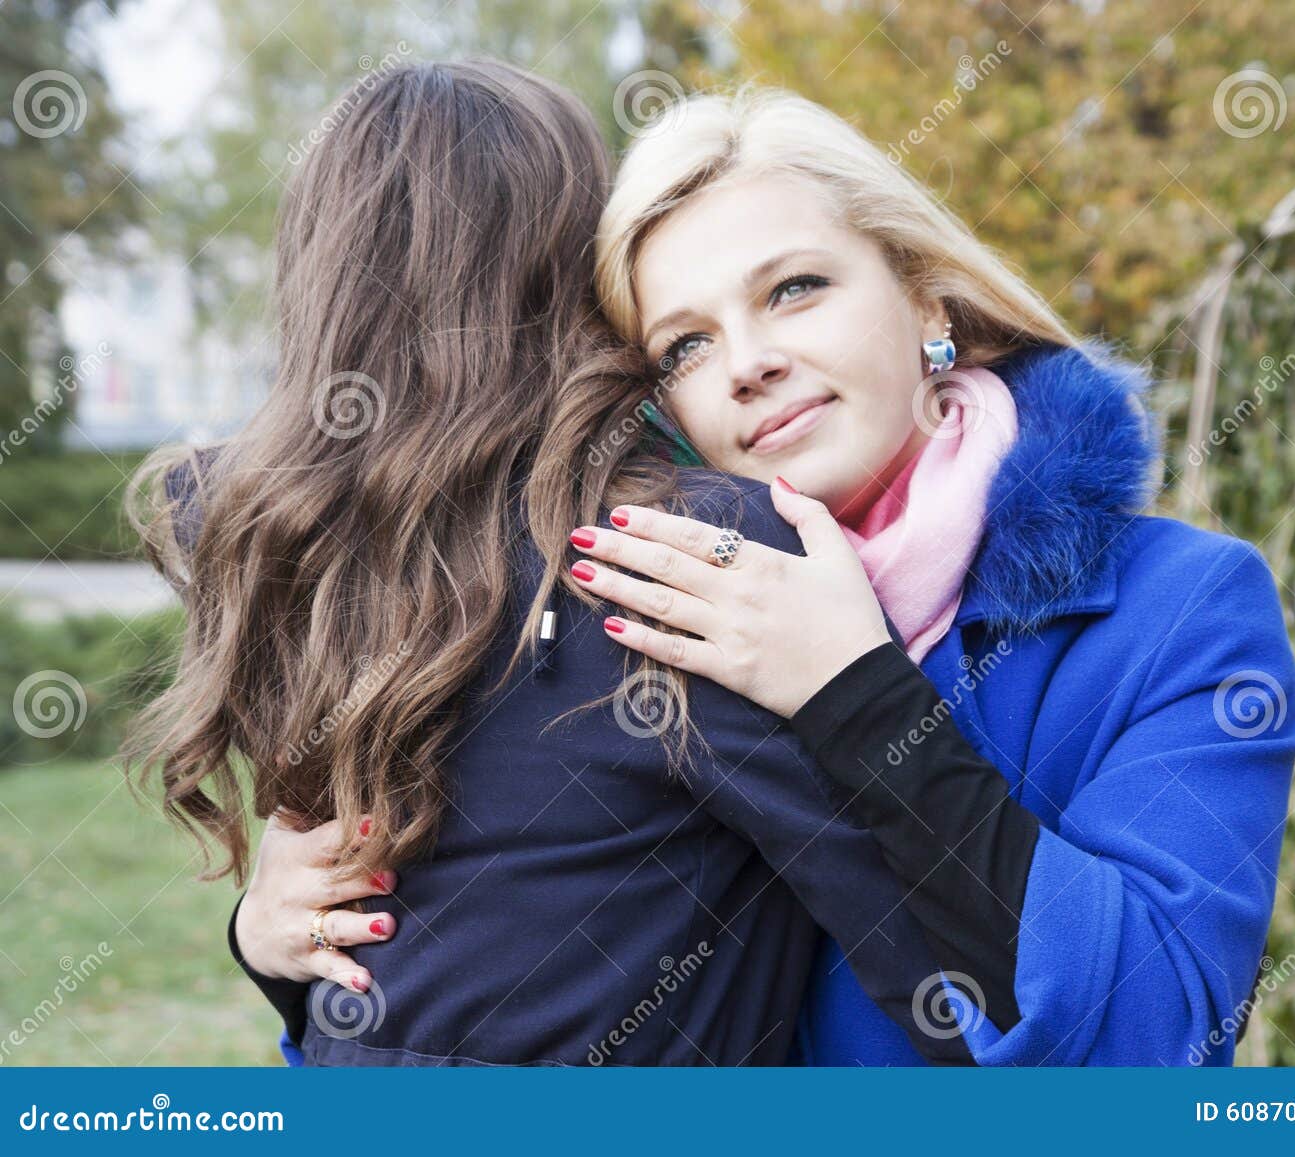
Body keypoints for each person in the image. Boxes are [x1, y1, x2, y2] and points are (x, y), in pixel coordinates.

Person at [226, 85, 1295, 1066]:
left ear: (927, 299)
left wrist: (857, 694)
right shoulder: (639, 607)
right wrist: (290, 942)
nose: (748, 363)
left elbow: (1156, 1040)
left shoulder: (1179, 609)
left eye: (794, 288)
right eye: (684, 346)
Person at [127, 62, 974, 1067]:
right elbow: (941, 959)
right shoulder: (677, 548)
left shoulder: (291, 545)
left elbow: (387, 961)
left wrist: (264, 940)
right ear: (575, 274)